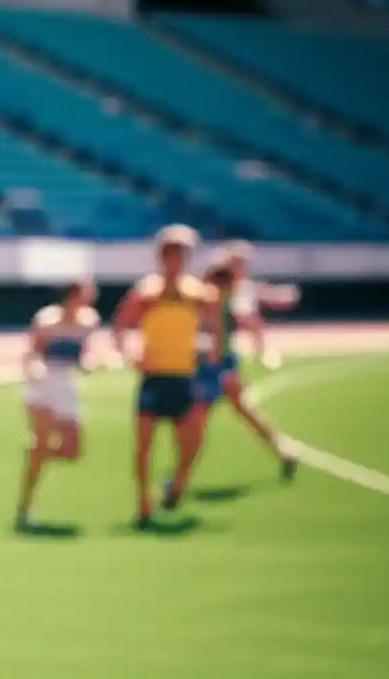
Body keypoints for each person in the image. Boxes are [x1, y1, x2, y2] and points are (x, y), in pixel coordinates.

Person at [113, 225, 222, 527]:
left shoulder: (198, 293)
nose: (175, 260)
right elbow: (121, 325)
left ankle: (177, 483)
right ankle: (143, 504)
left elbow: (215, 326)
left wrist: (213, 348)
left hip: (184, 375)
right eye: (170, 254)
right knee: (145, 445)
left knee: (190, 441)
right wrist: (130, 354)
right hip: (154, 376)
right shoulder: (147, 291)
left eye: (181, 254)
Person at [191, 253, 300, 481]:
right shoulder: (213, 303)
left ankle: (180, 475)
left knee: (196, 419)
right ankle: (281, 449)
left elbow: (244, 322)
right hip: (221, 364)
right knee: (242, 410)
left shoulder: (216, 305)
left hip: (213, 366)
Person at [16, 279, 104, 529]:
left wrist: (90, 363)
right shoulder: (47, 320)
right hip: (43, 384)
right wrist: (35, 368)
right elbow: (33, 352)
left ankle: (35, 454)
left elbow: (86, 353)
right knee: (42, 440)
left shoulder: (89, 321)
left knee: (72, 450)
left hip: (66, 386)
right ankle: (26, 504)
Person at [225, 240, 301, 370]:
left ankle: (262, 353)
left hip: (239, 318)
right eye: (239, 263)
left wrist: (282, 295)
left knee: (256, 323)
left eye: (243, 263)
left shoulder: (246, 284)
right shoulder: (220, 282)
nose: (242, 266)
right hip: (224, 318)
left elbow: (264, 293)